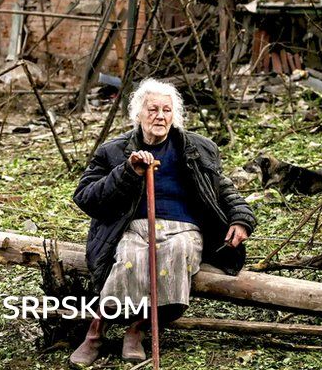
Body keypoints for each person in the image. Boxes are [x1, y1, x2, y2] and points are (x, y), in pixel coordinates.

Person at [70, 78, 256, 365]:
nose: (160, 116)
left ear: (175, 115)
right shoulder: (113, 151)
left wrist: (241, 219)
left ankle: (138, 328)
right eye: (153, 109)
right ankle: (97, 331)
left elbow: (223, 188)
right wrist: (127, 171)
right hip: (132, 226)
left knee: (175, 253)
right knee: (132, 256)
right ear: (138, 114)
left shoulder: (196, 148)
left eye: (167, 110)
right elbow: (85, 196)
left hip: (184, 229)